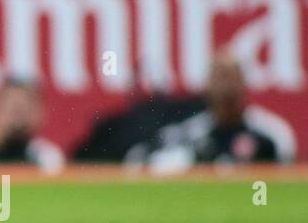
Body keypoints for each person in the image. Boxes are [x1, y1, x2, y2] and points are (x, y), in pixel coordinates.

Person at [127, 52, 297, 172]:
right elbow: (138, 159)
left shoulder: (272, 134)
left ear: (244, 86)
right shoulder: (189, 134)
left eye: (231, 78)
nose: (225, 89)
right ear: (206, 88)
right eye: (219, 79)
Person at [0, 78, 64, 172]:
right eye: (10, 104)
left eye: (23, 105)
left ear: (39, 112)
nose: (17, 110)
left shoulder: (47, 155)